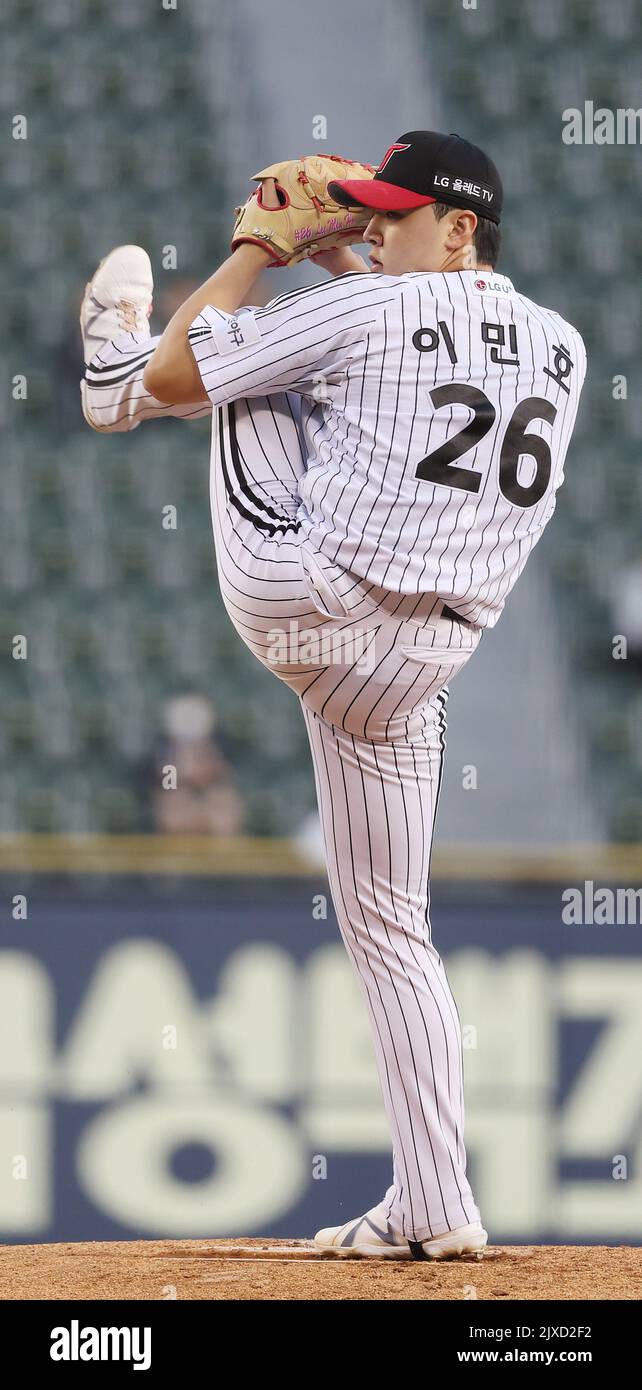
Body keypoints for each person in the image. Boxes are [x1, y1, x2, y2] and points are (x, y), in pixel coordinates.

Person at [79, 130, 587, 1261]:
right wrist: (353, 254)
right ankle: (435, 1200)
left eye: (393, 214)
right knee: (392, 928)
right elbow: (418, 349)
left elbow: (194, 372)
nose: (371, 225)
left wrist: (265, 247)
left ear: (459, 229)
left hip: (299, 595)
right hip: (420, 671)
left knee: (220, 377)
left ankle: (96, 375)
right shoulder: (564, 345)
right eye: (370, 210)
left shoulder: (375, 312)